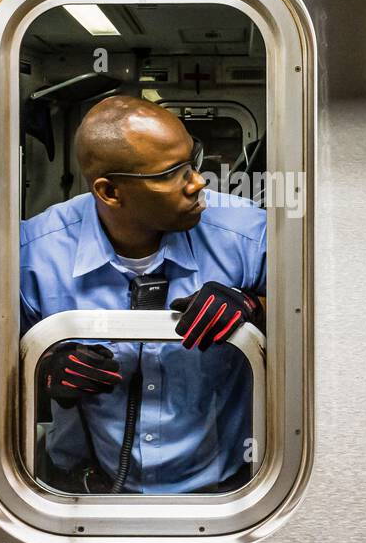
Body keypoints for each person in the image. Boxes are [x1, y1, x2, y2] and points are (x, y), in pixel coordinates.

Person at [19, 95, 266, 494]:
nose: (198, 182)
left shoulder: (247, 235)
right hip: (81, 492)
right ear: (111, 192)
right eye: (173, 173)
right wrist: (42, 369)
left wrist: (254, 307)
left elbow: (317, 323)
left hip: (226, 491)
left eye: (193, 160)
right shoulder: (33, 254)